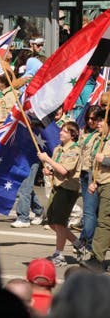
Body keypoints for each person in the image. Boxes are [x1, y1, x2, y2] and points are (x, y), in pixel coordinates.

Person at [37, 121, 83, 266]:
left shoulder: (74, 150)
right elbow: (56, 168)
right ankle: (78, 243)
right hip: (56, 187)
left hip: (68, 189)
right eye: (61, 130)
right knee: (52, 223)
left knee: (60, 223)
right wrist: (48, 170)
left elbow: (64, 170)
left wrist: (47, 159)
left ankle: (59, 255)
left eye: (64, 131)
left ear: (72, 135)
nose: (60, 133)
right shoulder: (58, 148)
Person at [83, 115, 110, 273]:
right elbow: (92, 164)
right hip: (99, 183)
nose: (97, 124)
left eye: (101, 121)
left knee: (104, 222)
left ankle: (97, 258)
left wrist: (105, 160)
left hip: (109, 184)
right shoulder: (98, 140)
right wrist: (92, 182)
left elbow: (102, 161)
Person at [77, 105, 102, 255]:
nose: (90, 121)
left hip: (94, 174)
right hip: (83, 173)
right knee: (90, 211)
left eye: (94, 119)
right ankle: (85, 239)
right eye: (88, 118)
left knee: (89, 211)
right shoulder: (83, 132)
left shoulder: (101, 134)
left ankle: (87, 243)